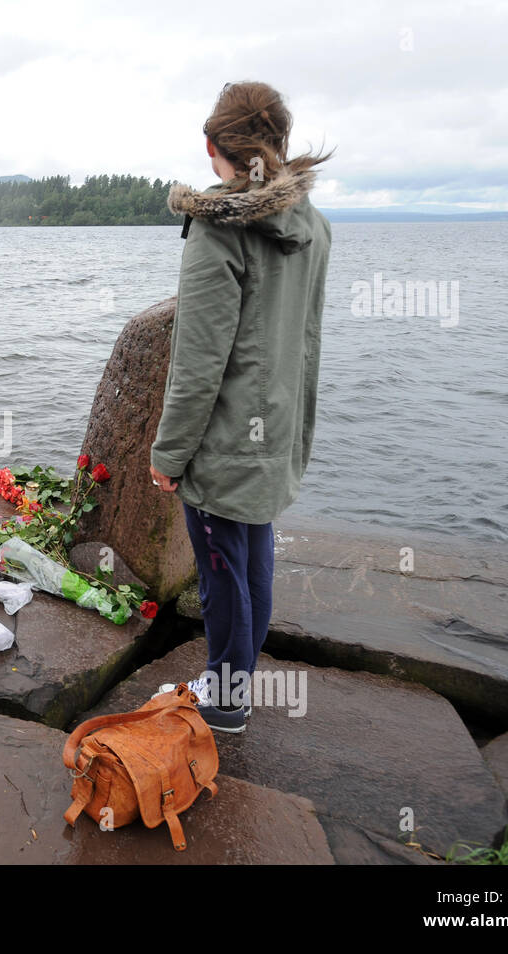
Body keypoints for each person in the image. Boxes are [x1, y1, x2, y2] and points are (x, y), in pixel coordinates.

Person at [149, 82, 333, 732]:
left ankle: (226, 700)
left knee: (221, 571)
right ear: (277, 145)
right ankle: (236, 676)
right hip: (276, 430)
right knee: (253, 555)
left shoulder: (217, 230)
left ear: (211, 149)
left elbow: (198, 365)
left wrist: (168, 455)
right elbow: (304, 339)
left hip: (226, 441)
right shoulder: (311, 222)